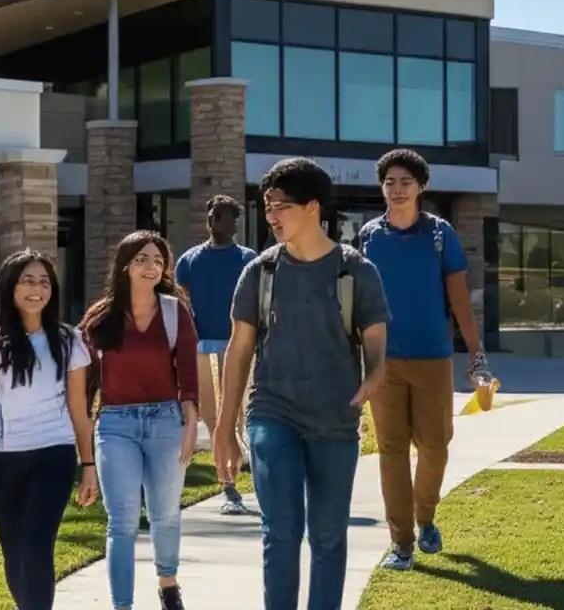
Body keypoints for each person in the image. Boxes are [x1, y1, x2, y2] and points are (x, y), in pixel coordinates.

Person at [214, 157, 390, 610]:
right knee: (281, 530)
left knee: (329, 536)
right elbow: (239, 350)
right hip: (273, 413)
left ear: (312, 207)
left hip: (335, 419)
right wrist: (225, 427)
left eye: (279, 206)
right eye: (266, 207)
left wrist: (373, 376)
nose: (270, 216)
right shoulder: (260, 272)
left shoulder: (356, 272)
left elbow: (375, 342)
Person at [353, 148, 487, 571]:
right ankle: (402, 543)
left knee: (436, 445)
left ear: (421, 187)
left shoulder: (439, 234)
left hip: (432, 357)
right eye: (389, 182)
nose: (396, 189)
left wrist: (476, 354)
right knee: (391, 451)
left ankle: (424, 516)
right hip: (383, 360)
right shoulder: (369, 236)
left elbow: (459, 299)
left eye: (405, 182)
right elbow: (357, 298)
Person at [0, 249, 99, 610]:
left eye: (44, 282)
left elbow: (79, 408)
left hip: (53, 456)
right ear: (11, 287)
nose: (37, 289)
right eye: (27, 280)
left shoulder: (68, 340)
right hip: (2, 460)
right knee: (14, 555)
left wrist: (88, 466)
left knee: (35, 546)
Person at [79, 230, 200, 610]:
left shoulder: (173, 311)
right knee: (123, 521)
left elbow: (189, 372)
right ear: (126, 265)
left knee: (164, 513)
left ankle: (168, 584)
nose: (151, 267)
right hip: (116, 425)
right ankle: (123, 605)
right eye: (143, 259)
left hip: (166, 420)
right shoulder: (101, 317)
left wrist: (191, 423)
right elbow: (83, 381)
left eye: (158, 261)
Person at [174, 194, 257, 516]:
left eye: (226, 217)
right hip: (202, 348)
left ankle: (245, 481)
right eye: (214, 215)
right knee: (214, 420)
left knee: (238, 418)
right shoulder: (189, 260)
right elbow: (183, 305)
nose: (218, 221)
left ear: (235, 223)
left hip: (240, 347)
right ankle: (229, 487)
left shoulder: (248, 259)